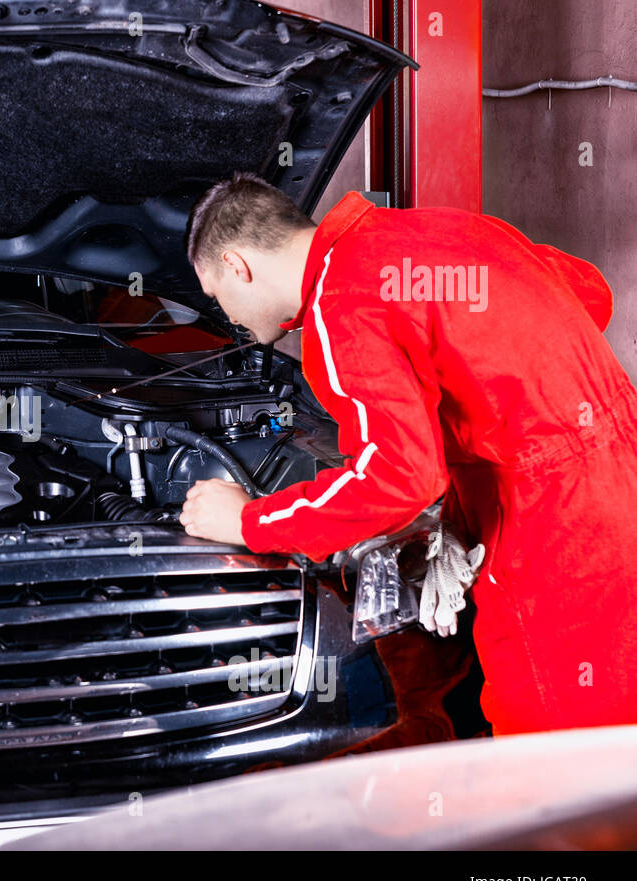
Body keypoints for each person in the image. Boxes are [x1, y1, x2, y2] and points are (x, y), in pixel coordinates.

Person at [177, 172, 637, 735]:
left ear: (235, 266)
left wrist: (248, 521)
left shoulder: (340, 302)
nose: (228, 319)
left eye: (216, 298)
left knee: (551, 742)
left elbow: (397, 478)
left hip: (554, 525)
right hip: (619, 463)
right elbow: (588, 291)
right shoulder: (440, 228)